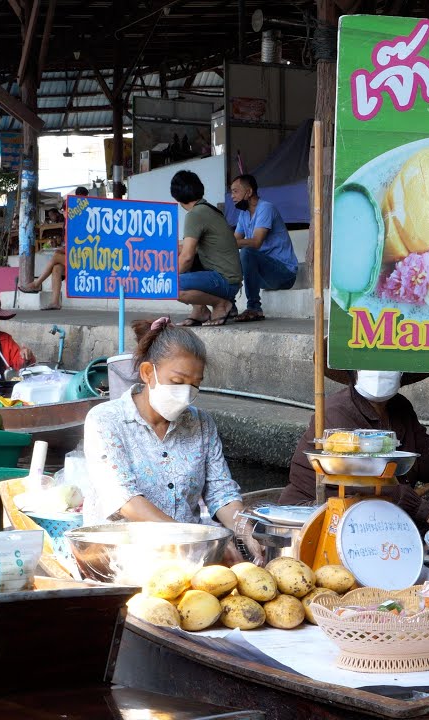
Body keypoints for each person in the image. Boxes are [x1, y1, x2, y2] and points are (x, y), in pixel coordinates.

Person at [82, 317, 263, 565]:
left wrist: (244, 529)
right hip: (121, 559)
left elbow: (221, 492)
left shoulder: (201, 424)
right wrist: (198, 540)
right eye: (177, 382)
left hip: (191, 557)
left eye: (195, 385)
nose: (186, 394)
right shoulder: (105, 420)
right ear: (148, 373)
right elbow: (125, 499)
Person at [280, 369, 429, 553]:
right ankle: (407, 553)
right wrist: (428, 511)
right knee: (384, 534)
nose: (379, 372)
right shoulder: (335, 411)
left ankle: (417, 552)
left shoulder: (400, 407)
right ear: (353, 370)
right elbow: (360, 486)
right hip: (329, 509)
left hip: (389, 509)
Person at [170, 171, 242, 327]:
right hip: (228, 279)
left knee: (170, 286)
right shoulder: (208, 210)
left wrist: (164, 278)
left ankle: (221, 304)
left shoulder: (195, 214)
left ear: (176, 196)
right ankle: (200, 310)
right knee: (178, 257)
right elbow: (184, 248)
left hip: (225, 281)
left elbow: (187, 257)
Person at [228, 174, 298, 323]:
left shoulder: (265, 208)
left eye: (235, 191)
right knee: (229, 254)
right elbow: (233, 241)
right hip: (265, 275)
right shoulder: (243, 214)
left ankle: (254, 308)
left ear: (249, 192)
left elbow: (256, 242)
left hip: (284, 274)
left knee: (247, 252)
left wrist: (225, 243)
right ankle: (229, 305)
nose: (232, 196)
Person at [19, 186, 86, 310]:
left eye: (66, 210)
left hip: (86, 260)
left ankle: (37, 283)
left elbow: (82, 244)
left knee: (56, 256)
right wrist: (64, 249)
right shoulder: (68, 224)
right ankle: (55, 302)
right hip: (74, 258)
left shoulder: (84, 221)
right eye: (64, 210)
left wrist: (64, 250)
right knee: (56, 268)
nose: (65, 213)